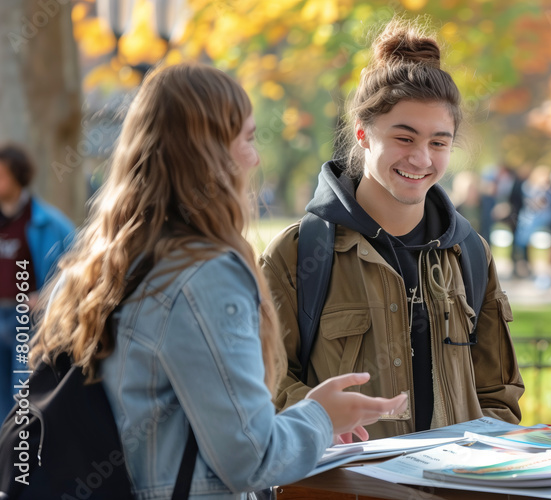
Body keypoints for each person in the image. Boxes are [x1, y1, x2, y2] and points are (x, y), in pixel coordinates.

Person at [30, 63, 407, 499]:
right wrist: (321, 417)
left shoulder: (98, 263)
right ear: (206, 153)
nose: (255, 157)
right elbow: (251, 459)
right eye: (247, 138)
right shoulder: (205, 276)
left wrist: (307, 415)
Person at [262, 20, 524, 439]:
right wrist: (319, 421)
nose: (421, 159)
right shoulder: (298, 253)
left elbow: (498, 394)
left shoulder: (471, 254)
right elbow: (267, 383)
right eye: (404, 138)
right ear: (364, 135)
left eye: (439, 143)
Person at [0, 143, 75, 417]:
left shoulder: (51, 223)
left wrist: (46, 298)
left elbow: (75, 268)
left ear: (18, 177)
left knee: (23, 392)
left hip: (26, 317)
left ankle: (23, 455)